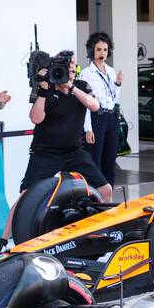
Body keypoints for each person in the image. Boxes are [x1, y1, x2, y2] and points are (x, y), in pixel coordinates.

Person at [19, 50, 109, 203]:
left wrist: (71, 88)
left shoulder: (81, 86)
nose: (72, 69)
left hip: (74, 152)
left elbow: (94, 106)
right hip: (46, 153)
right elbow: (36, 118)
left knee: (105, 190)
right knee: (25, 196)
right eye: (68, 66)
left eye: (74, 66)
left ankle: (102, 226)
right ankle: (8, 229)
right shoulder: (48, 89)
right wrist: (42, 88)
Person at [77, 31, 122, 187]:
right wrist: (88, 129)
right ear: (91, 51)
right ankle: (94, 197)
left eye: (105, 49)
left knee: (110, 160)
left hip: (112, 118)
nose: (102, 53)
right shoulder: (86, 74)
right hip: (97, 118)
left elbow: (115, 97)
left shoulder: (111, 71)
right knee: (95, 161)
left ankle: (108, 197)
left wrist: (118, 84)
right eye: (98, 49)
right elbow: (85, 105)